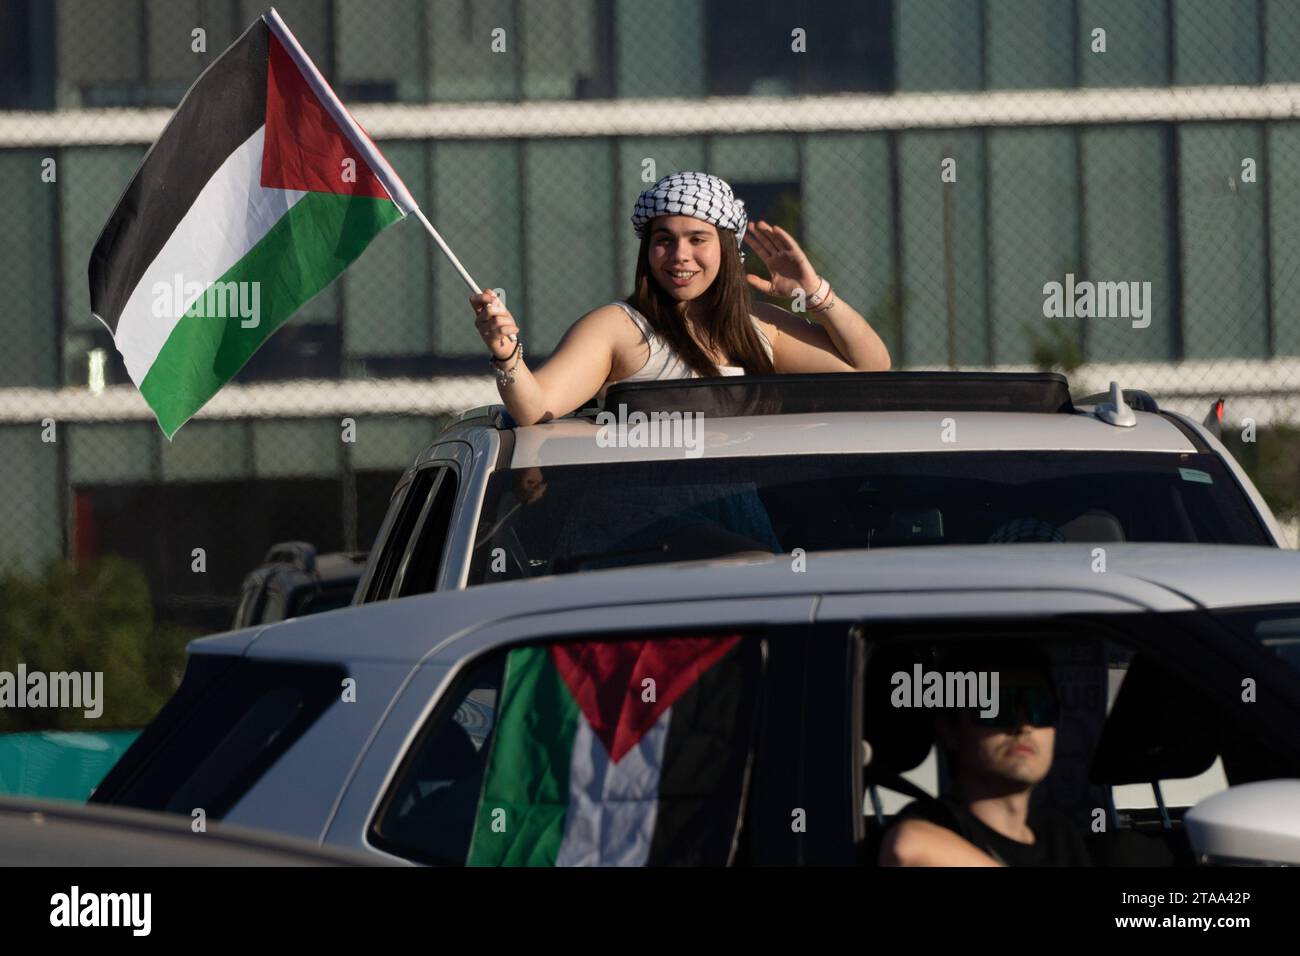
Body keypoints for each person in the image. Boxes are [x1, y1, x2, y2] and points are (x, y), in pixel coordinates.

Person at [470, 171, 892, 426]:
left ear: (727, 250)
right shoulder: (617, 327)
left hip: (755, 528)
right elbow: (537, 409)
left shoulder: (760, 327)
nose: (679, 257)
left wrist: (815, 294)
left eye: (697, 240)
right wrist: (507, 355)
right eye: (664, 240)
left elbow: (870, 368)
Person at [878, 643, 1092, 867]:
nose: (1024, 724)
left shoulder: (1059, 835)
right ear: (949, 730)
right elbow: (907, 847)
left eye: (1039, 707)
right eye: (996, 705)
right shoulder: (936, 823)